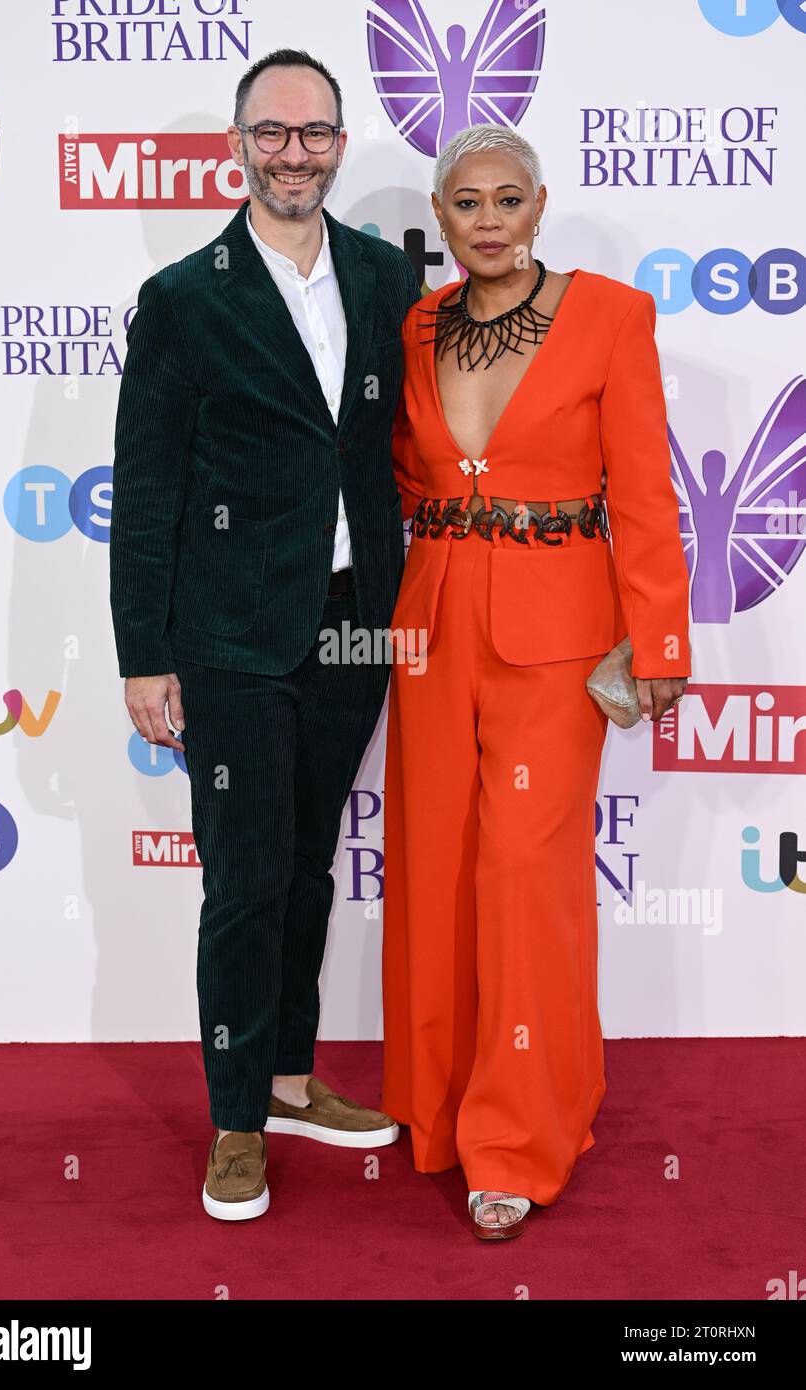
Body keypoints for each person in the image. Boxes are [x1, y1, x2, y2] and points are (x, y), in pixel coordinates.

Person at [109, 49, 420, 1221]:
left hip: (351, 625)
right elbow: (144, 494)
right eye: (272, 132)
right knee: (242, 882)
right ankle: (236, 1121)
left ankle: (290, 1078)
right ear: (239, 147)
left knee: (305, 866)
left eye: (316, 131)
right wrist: (144, 651)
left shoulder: (385, 277)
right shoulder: (187, 298)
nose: (295, 151)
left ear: (340, 143)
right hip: (229, 637)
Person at [381, 123, 691, 1240]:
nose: (488, 220)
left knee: (523, 872)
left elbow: (645, 488)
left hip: (557, 625)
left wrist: (657, 642)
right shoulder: (414, 323)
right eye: (466, 203)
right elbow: (400, 471)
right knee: (430, 867)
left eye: (507, 198)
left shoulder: (611, 315)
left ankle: (516, 1138)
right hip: (429, 616)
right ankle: (437, 1111)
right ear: (442, 213)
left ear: (541, 203)